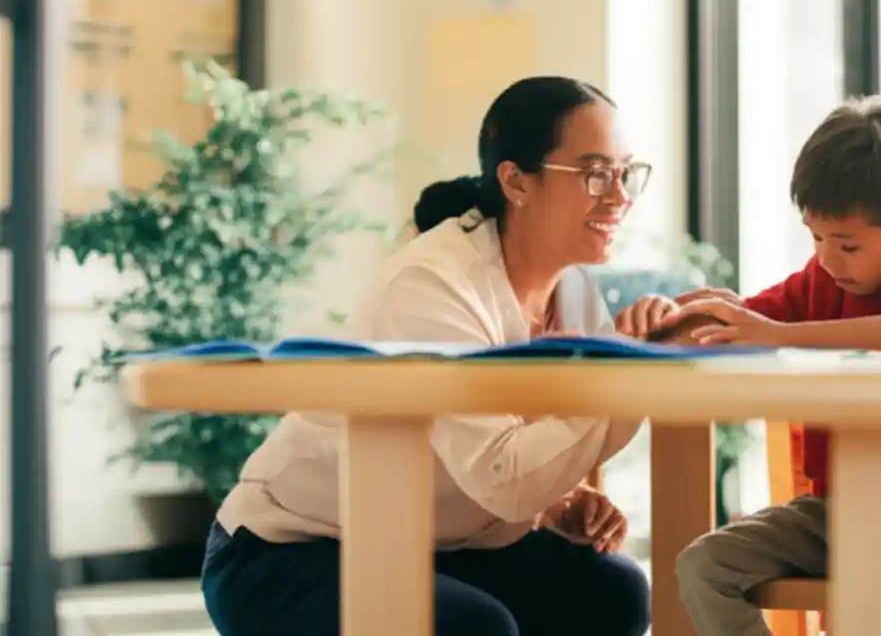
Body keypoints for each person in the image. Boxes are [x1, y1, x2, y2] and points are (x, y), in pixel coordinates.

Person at [201, 76, 668, 636]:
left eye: (625, 173)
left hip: (441, 542)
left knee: (611, 593)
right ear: (517, 181)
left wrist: (553, 503)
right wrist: (628, 376)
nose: (619, 195)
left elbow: (494, 468)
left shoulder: (573, 296)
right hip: (293, 548)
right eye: (595, 173)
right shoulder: (432, 283)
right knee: (471, 627)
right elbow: (505, 476)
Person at [669, 96, 881, 636]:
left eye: (846, 243)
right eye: (816, 237)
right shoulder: (823, 280)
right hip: (833, 512)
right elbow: (741, 323)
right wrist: (683, 318)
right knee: (703, 565)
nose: (825, 258)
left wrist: (779, 335)